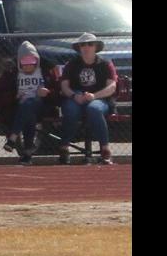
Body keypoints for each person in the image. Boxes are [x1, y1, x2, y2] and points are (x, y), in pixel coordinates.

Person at [59, 32, 118, 165]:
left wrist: (94, 96)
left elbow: (112, 87)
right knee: (70, 109)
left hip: (100, 99)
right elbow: (64, 86)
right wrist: (75, 96)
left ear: (96, 47)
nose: (86, 47)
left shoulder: (105, 63)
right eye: (82, 44)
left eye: (90, 44)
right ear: (79, 47)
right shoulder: (71, 64)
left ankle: (105, 150)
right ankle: (64, 148)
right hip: (76, 98)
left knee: (94, 109)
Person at [7, 41, 53, 164]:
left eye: (31, 62)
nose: (28, 65)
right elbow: (0, 92)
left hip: (42, 105)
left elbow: (56, 89)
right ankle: (27, 153)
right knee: (29, 113)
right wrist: (14, 96)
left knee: (29, 105)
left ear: (37, 60)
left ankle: (13, 137)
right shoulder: (13, 73)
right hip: (21, 106)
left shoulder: (45, 71)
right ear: (19, 62)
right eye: (24, 62)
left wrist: (47, 92)